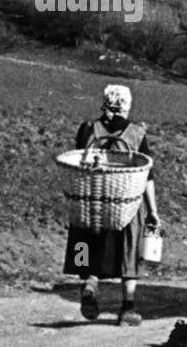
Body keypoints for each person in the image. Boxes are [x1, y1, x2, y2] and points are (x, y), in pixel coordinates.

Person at [63, 84, 160, 325]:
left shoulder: (87, 130)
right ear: (126, 106)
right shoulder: (136, 133)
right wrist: (153, 212)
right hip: (125, 202)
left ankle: (90, 282)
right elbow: (147, 176)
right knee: (129, 250)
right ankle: (127, 308)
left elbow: (77, 161)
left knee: (85, 243)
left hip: (91, 200)